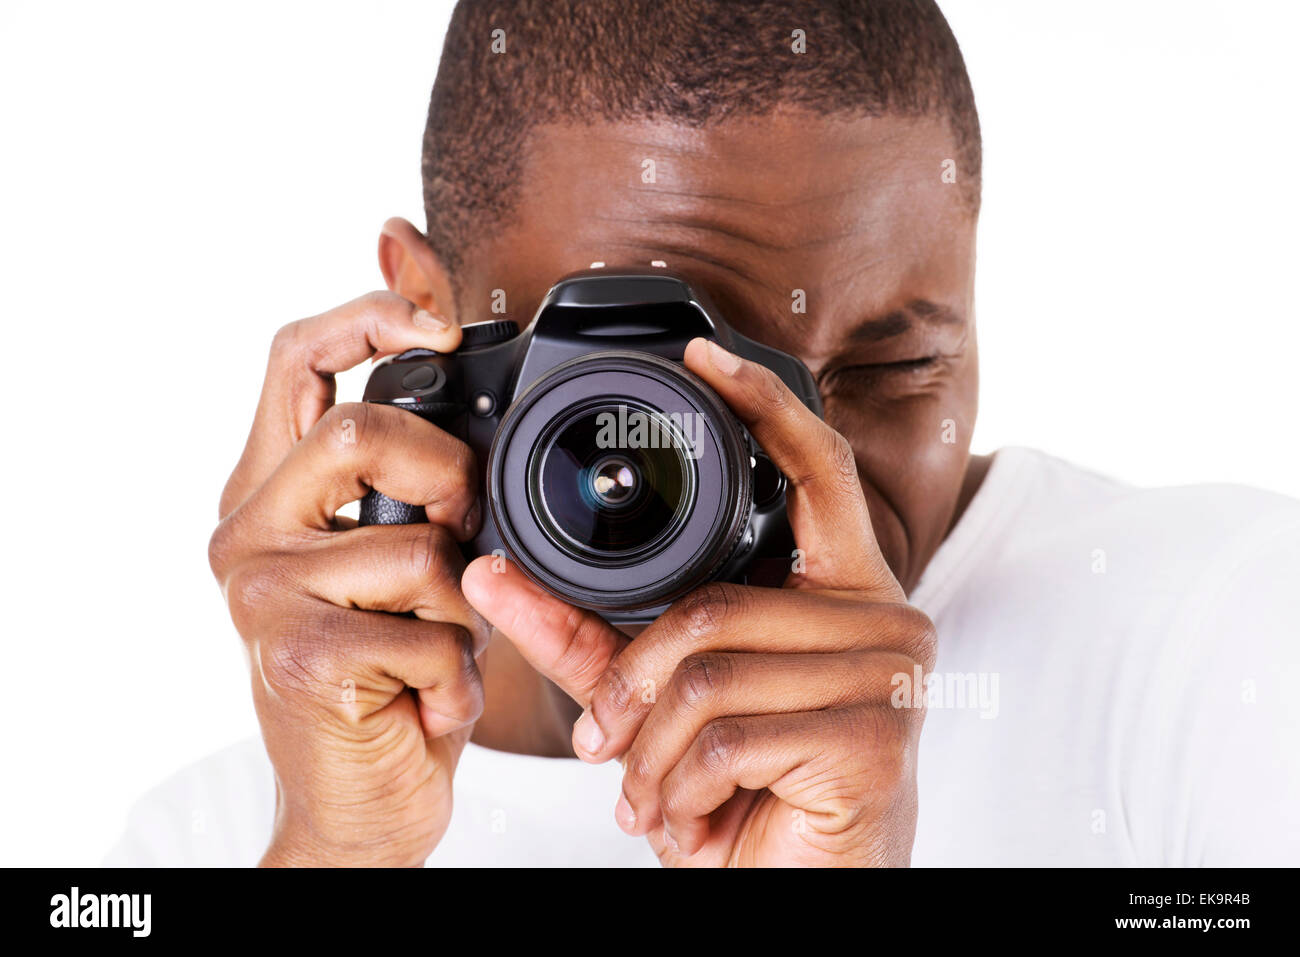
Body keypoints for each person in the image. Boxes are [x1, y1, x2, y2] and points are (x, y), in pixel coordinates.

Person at [108, 0, 1300, 867]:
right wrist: (342, 856)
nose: (803, 472)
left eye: (893, 370)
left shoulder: (1218, 642)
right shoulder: (218, 840)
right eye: (663, 386)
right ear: (432, 317)